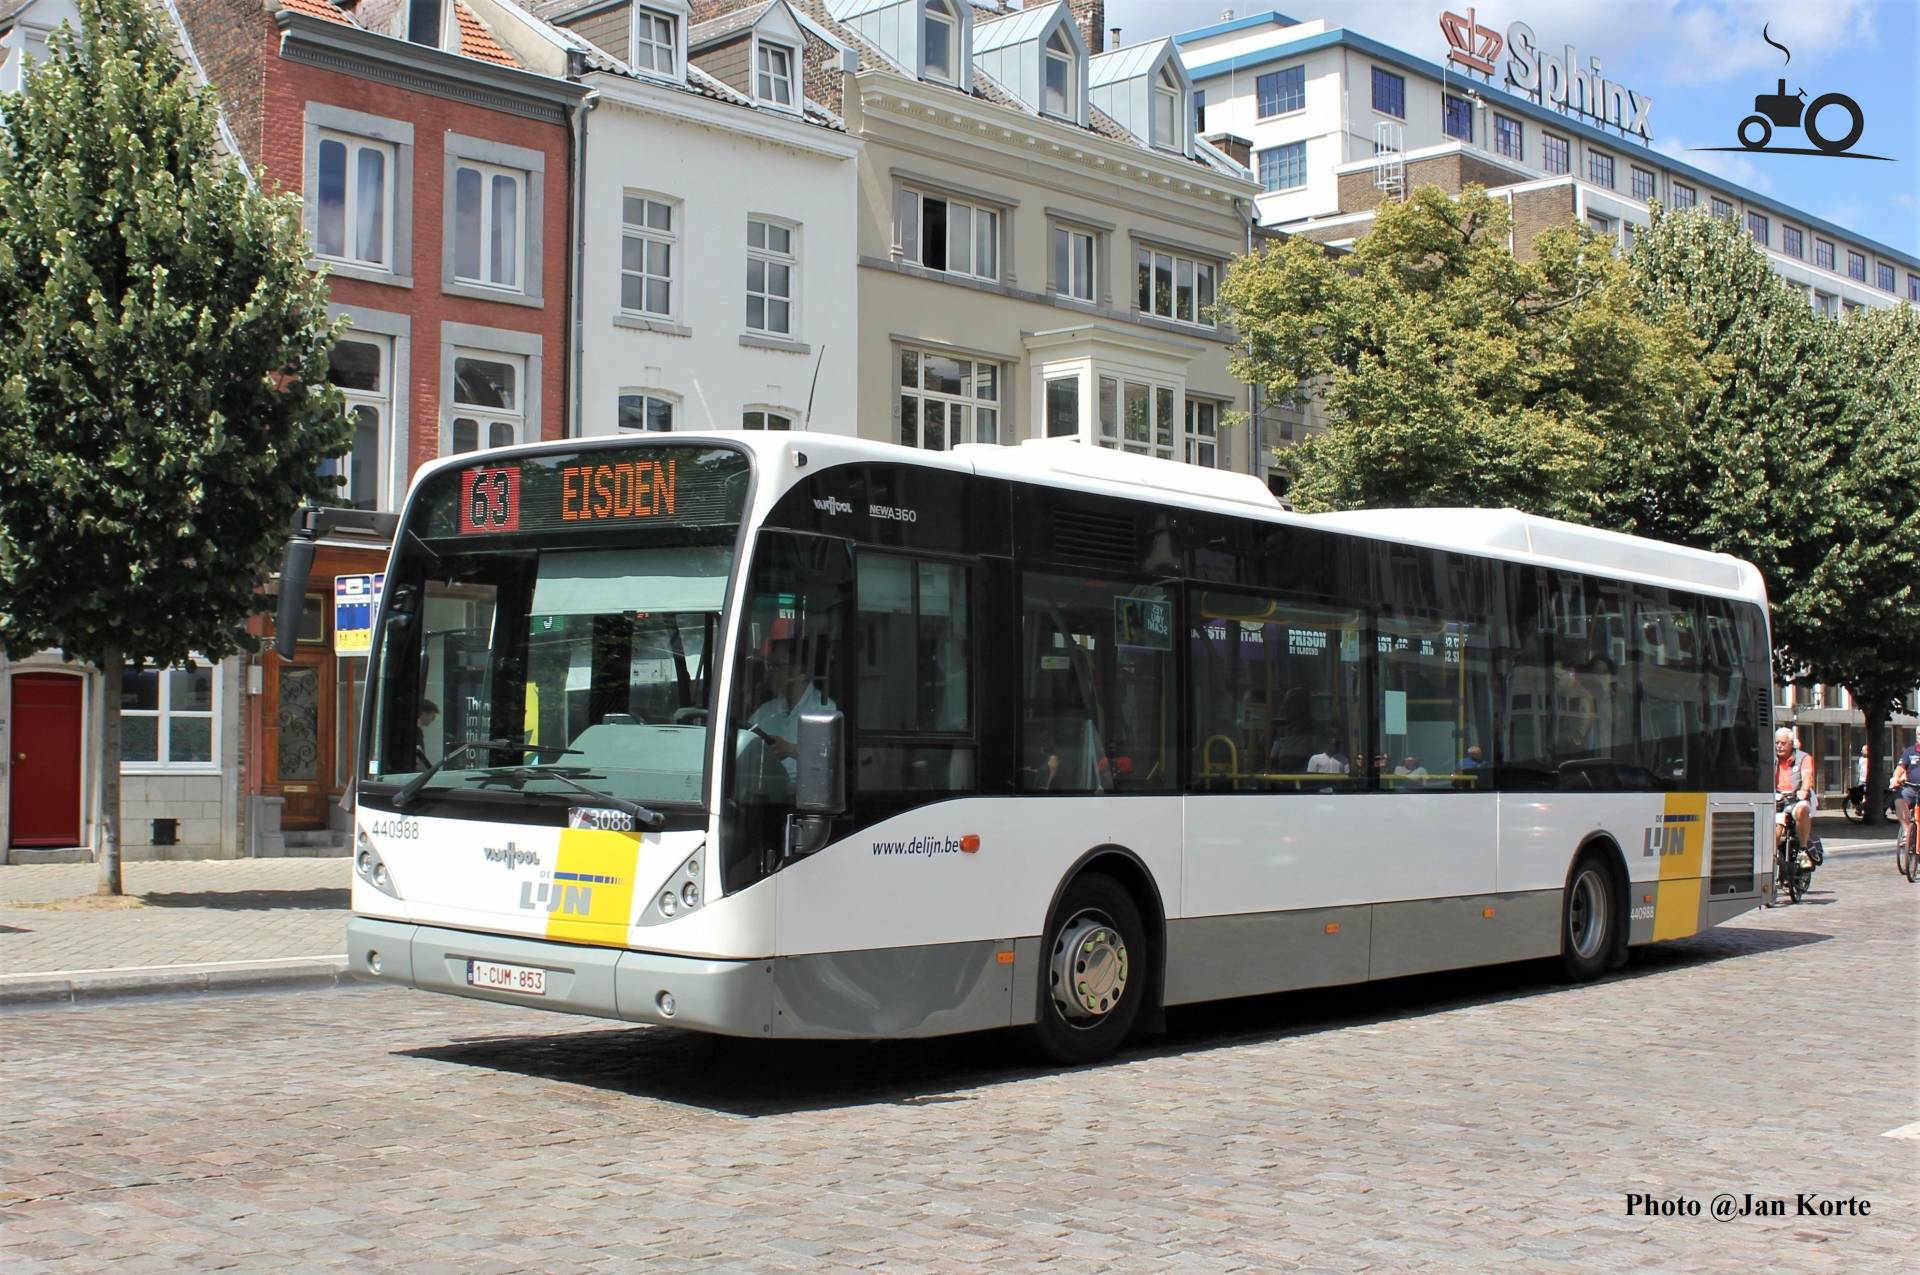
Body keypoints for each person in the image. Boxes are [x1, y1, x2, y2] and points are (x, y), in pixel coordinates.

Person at [746, 640, 836, 781]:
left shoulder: (825, 709)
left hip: (805, 795)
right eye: (769, 666)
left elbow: (828, 758)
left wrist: (789, 749)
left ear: (802, 672)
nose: (770, 673)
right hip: (763, 790)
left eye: (777, 666)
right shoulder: (765, 711)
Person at [1773, 726, 1815, 854]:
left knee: (1802, 811)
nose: (1779, 746)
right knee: (1775, 830)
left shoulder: (1803, 758)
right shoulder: (1772, 759)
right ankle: (1772, 858)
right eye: (1777, 743)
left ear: (1791, 744)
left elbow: (1807, 777)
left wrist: (1804, 790)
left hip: (1796, 798)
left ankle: (1803, 849)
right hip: (1778, 800)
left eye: (1783, 743)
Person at [1893, 728, 1920, 853]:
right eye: (1919, 734)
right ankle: (1906, 831)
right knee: (1899, 800)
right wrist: (1896, 779)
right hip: (1910, 787)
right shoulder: (1909, 752)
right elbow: (1900, 767)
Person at [415, 700, 439, 768]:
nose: (433, 719)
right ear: (424, 714)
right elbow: (419, 758)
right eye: (433, 716)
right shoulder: (418, 732)